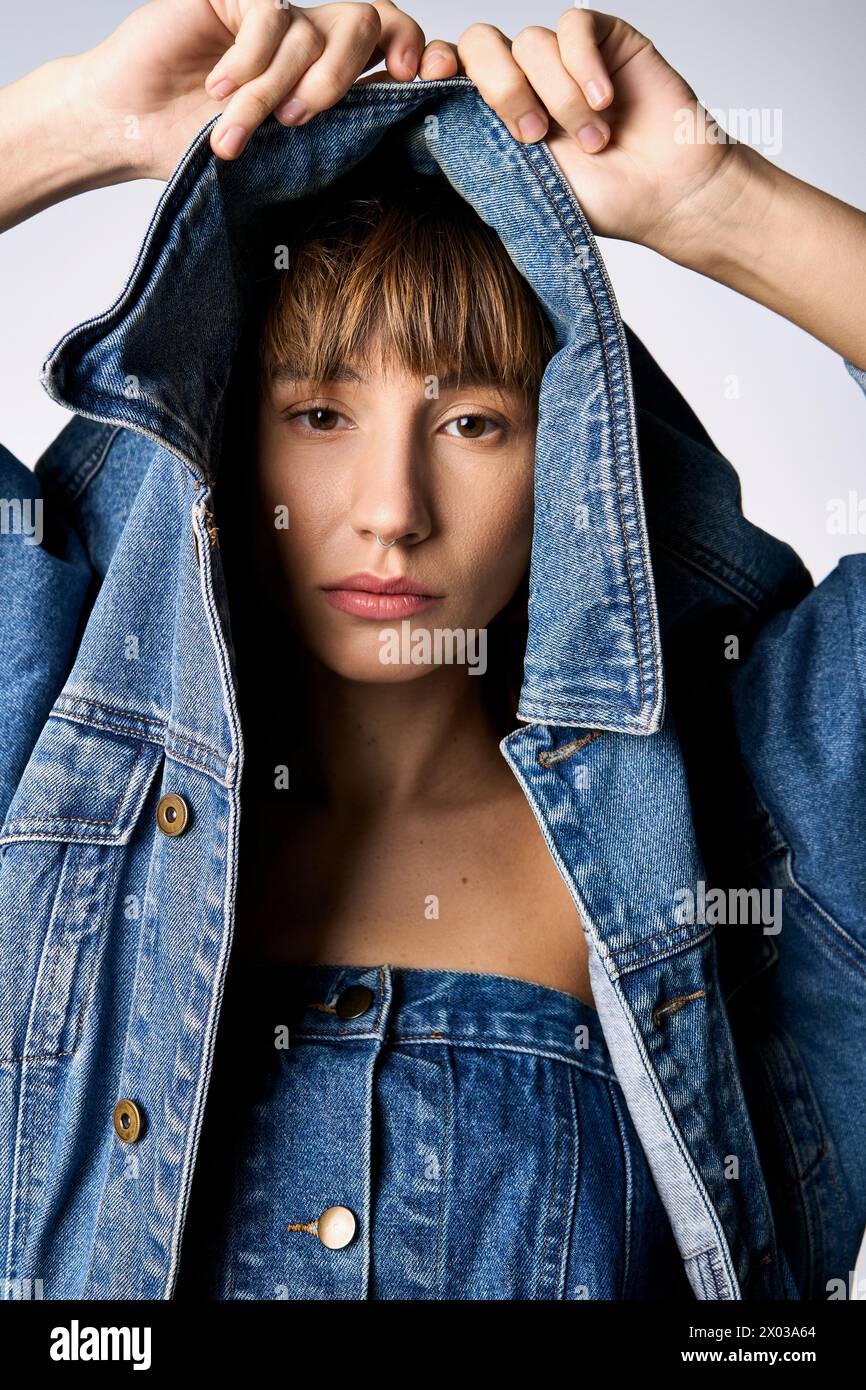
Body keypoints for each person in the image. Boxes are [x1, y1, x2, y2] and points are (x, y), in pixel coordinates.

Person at [0, 1, 864, 1302]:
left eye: (468, 419)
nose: (390, 508)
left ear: (567, 456)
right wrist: (74, 129)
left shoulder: (747, 818)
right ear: (231, 436)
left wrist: (715, 196)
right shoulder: (46, 736)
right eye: (320, 411)